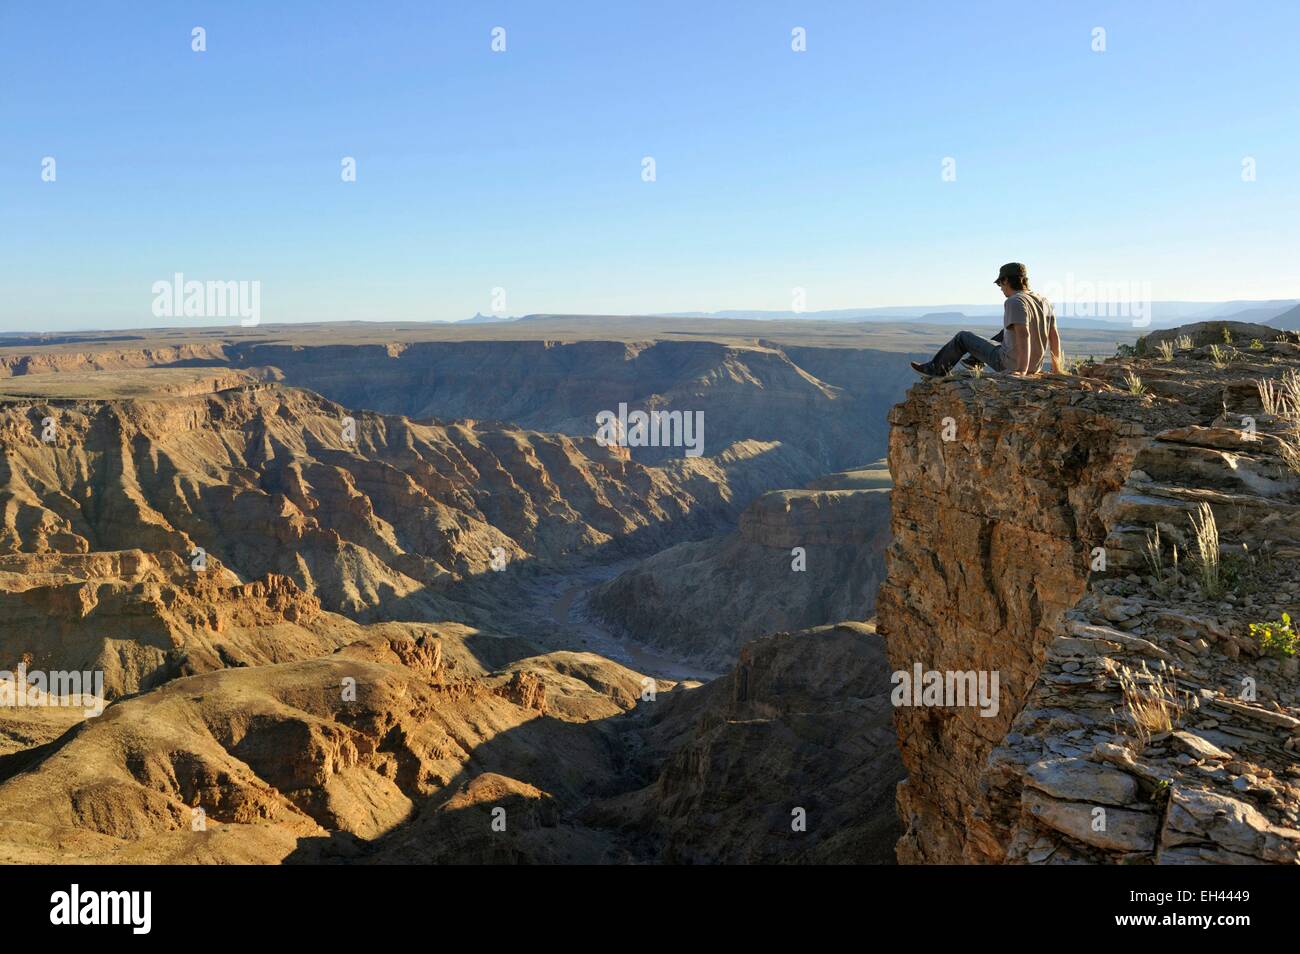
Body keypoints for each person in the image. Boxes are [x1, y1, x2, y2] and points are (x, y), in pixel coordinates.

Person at [910, 262, 1064, 377]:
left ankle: (935, 370)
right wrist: (1057, 368)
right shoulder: (1044, 301)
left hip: (1009, 363)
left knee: (962, 337)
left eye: (1000, 284)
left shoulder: (1014, 301)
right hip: (1035, 366)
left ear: (1005, 281)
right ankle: (974, 360)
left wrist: (1021, 370)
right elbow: (1054, 336)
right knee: (1006, 331)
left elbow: (1024, 335)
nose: (1001, 289)